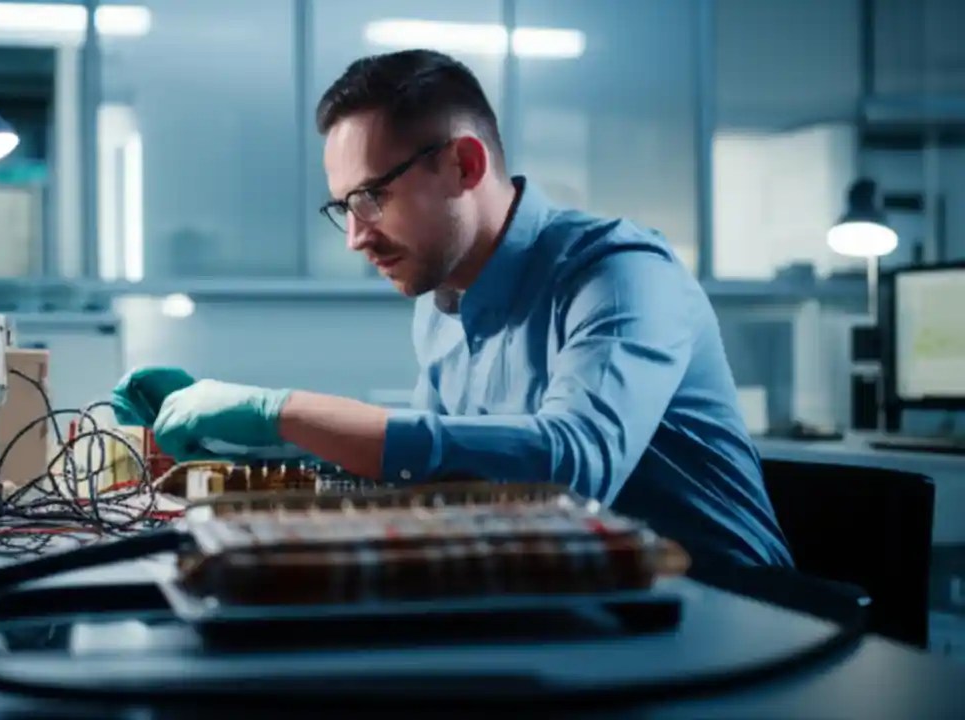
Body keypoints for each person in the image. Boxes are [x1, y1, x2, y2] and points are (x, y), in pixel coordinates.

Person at [112, 49, 793, 572]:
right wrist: (247, 441)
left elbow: (575, 463)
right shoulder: (439, 309)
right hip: (581, 594)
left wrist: (280, 408)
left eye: (370, 197)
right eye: (342, 207)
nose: (355, 236)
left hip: (740, 615)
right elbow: (429, 474)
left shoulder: (620, 270)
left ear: (465, 166)